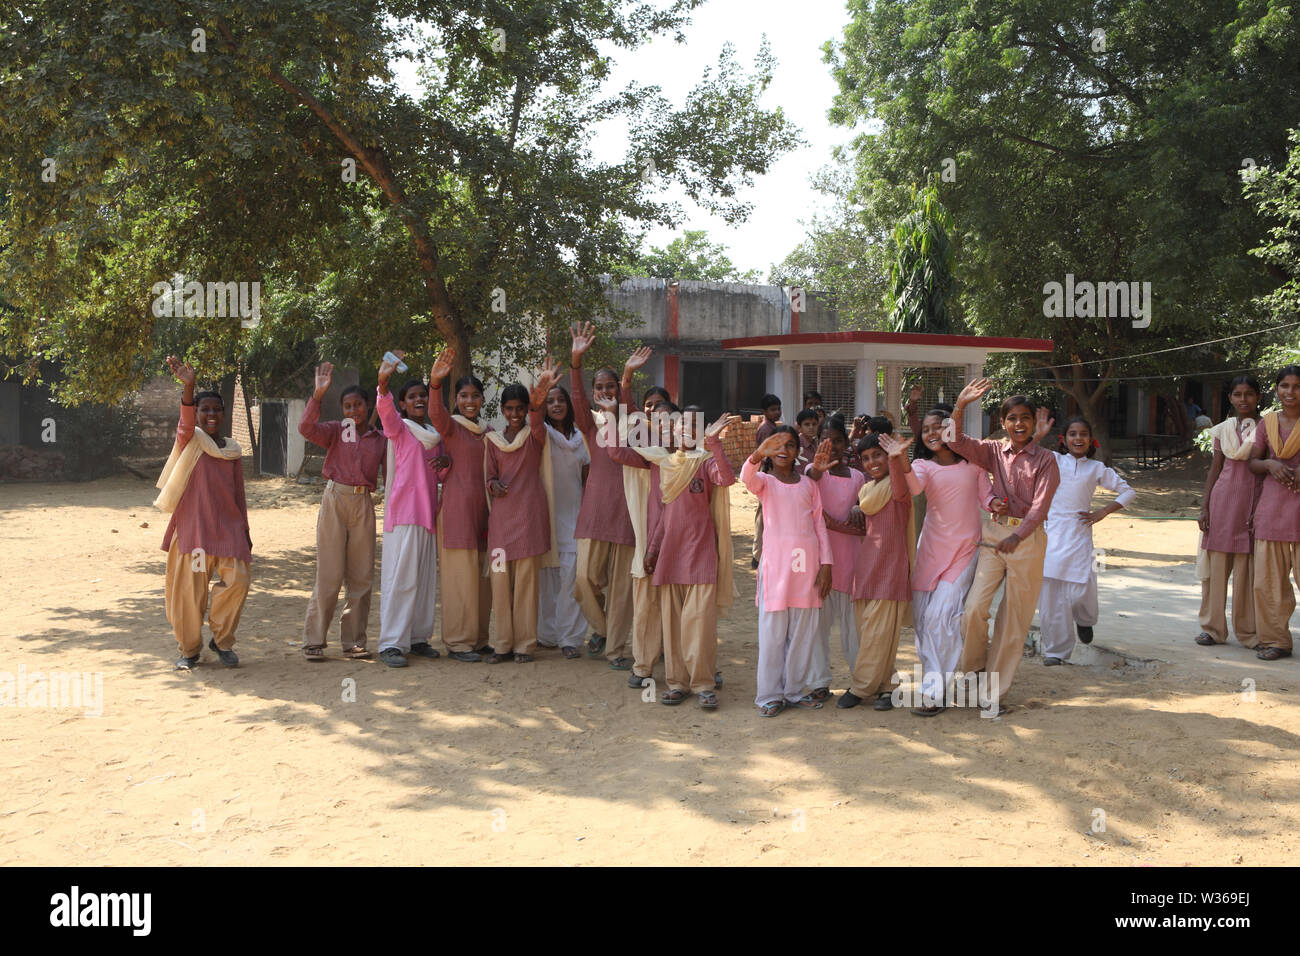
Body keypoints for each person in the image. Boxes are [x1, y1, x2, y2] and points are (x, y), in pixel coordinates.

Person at [947, 379, 1060, 714]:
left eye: (1025, 417)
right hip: (995, 536)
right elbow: (953, 441)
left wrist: (1019, 535)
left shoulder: (1046, 459)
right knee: (974, 609)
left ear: (1032, 423)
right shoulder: (993, 450)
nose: (1019, 423)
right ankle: (972, 672)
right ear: (1003, 423)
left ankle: (993, 694)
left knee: (1014, 620)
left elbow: (1041, 506)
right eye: (1012, 418)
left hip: (1026, 540)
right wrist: (960, 405)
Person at [884, 407, 989, 715]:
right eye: (926, 429)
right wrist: (899, 457)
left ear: (951, 429)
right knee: (922, 619)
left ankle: (935, 691)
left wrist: (1002, 502)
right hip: (930, 550)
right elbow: (912, 487)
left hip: (965, 550)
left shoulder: (974, 465)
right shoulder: (922, 465)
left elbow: (988, 498)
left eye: (938, 427)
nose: (931, 433)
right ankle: (937, 680)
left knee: (941, 617)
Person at [155, 356, 250, 670]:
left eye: (216, 409)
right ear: (196, 414)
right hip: (194, 530)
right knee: (189, 595)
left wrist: (245, 533)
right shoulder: (190, 440)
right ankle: (189, 650)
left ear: (223, 414)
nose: (211, 414)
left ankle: (221, 640)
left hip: (228, 529)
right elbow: (183, 424)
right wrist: (188, 387)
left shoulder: (231, 450)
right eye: (204, 409)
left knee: (238, 581)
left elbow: (238, 494)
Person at [642, 406, 740, 709]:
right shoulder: (668, 464)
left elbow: (726, 479)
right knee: (672, 626)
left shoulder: (706, 463)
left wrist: (715, 444)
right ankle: (677, 683)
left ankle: (703, 684)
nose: (685, 429)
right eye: (680, 424)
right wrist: (652, 548)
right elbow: (665, 513)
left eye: (692, 426)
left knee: (699, 624)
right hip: (670, 555)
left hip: (700, 555)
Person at [298, 362, 387, 661]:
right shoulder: (335, 432)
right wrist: (318, 395)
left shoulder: (379, 440)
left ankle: (354, 641)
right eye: (347, 406)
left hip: (364, 504)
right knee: (330, 574)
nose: (353, 411)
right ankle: (314, 640)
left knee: (361, 577)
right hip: (335, 500)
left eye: (358, 405)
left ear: (367, 406)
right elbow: (305, 428)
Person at [744, 426, 833, 715]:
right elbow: (746, 477)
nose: (784, 450)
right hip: (776, 570)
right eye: (778, 445)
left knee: (802, 633)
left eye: (790, 445)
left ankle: (794, 691)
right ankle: (769, 694)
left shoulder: (809, 485)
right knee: (773, 634)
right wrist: (759, 453)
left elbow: (819, 524)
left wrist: (826, 564)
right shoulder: (765, 482)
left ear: (798, 451)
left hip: (806, 569)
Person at [567, 325, 639, 668]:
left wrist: (625, 376)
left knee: (623, 592)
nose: (605, 391)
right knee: (584, 581)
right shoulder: (591, 425)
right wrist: (576, 362)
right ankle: (601, 629)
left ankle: (616, 651)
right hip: (594, 514)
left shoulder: (636, 426)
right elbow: (577, 401)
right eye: (600, 387)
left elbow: (631, 406)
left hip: (628, 516)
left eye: (611, 386)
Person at [1037, 414, 1134, 664]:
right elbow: (1028, 453)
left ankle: (1085, 620)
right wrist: (1038, 432)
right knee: (1052, 596)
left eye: (1083, 434)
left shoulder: (1096, 468)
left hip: (1080, 533)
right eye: (1073, 434)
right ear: (1064, 439)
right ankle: (1055, 651)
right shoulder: (1053, 461)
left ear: (1091, 440)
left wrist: (1102, 512)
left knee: (1081, 590)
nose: (1078, 438)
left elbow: (1128, 492)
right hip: (1052, 533)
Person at [373, 354, 449, 667]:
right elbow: (384, 411)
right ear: (403, 404)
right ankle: (391, 643)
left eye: (422, 395)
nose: (418, 400)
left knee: (423, 580)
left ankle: (418, 638)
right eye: (413, 397)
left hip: (428, 515)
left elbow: (440, 473)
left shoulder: (434, 436)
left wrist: (445, 464)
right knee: (400, 579)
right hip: (404, 516)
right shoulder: (400, 430)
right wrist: (383, 382)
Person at [483, 362, 562, 663]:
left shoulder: (535, 436)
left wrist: (539, 399)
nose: (515, 415)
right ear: (502, 410)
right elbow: (488, 477)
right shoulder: (494, 441)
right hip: (502, 524)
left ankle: (525, 646)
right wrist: (493, 484)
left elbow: (537, 420)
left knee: (527, 586)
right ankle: (502, 644)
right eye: (510, 409)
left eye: (520, 409)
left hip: (528, 521)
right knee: (501, 585)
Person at [599, 378, 675, 688]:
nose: (660, 420)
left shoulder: (691, 457)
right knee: (646, 604)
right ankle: (643, 665)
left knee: (679, 606)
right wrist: (612, 415)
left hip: (681, 541)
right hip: (648, 538)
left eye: (667, 416)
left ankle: (683, 662)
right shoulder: (646, 456)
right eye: (653, 414)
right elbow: (616, 452)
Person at [427, 348, 494, 661]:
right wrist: (436, 383)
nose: (470, 402)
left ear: (483, 400)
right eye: (464, 396)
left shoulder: (489, 433)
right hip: (456, 513)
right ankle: (458, 642)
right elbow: (435, 415)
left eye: (475, 396)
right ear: (456, 400)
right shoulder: (451, 427)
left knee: (483, 579)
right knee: (459, 578)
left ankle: (480, 639)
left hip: (486, 515)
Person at [837, 433, 912, 709]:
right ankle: (887, 687)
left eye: (877, 455)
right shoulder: (867, 491)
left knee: (880, 634)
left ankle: (860, 688)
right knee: (871, 633)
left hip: (890, 569)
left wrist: (895, 458)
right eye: (866, 458)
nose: (871, 463)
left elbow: (901, 489)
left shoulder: (898, 484)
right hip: (867, 567)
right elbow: (861, 528)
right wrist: (827, 521)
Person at [1195, 377, 1264, 650]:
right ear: (1231, 398)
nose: (1243, 399)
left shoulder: (1266, 429)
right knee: (1215, 571)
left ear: (1258, 397)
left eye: (1249, 394)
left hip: (1253, 503)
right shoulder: (1222, 429)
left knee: (1247, 574)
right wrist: (1205, 506)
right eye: (1237, 394)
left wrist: (1261, 509)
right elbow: (1216, 468)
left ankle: (1249, 633)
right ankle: (1212, 629)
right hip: (1222, 504)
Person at [805, 416, 865, 701]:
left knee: (853, 628)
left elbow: (863, 513)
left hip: (852, 559)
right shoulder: (813, 472)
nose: (833, 447)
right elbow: (812, 481)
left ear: (847, 442)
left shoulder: (858, 477)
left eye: (839, 441)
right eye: (826, 441)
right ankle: (819, 682)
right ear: (818, 444)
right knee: (818, 626)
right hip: (821, 563)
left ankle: (862, 680)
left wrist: (855, 510)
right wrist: (818, 467)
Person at [1247, 365, 1300, 661]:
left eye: (1297, 386)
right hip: (1272, 509)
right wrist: (1270, 464)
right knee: (1268, 582)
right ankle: (1276, 641)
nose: (1290, 392)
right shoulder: (1266, 423)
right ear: (1277, 389)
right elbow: (1253, 463)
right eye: (1285, 386)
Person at [537, 380, 591, 659]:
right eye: (550, 401)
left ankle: (570, 638)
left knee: (572, 580)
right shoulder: (541, 434)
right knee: (547, 581)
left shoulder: (582, 438)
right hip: (545, 517)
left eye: (560, 400)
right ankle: (546, 635)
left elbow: (586, 481)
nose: (556, 405)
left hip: (574, 517)